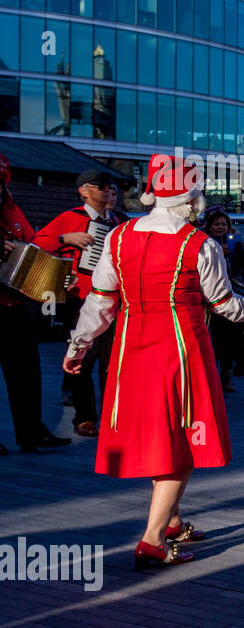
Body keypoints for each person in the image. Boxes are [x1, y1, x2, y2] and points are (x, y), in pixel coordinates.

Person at [62, 154, 244, 568]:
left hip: (131, 350)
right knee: (181, 444)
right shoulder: (199, 244)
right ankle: (152, 540)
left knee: (160, 436)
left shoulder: (118, 237)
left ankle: (171, 520)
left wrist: (77, 346)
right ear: (190, 198)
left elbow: (100, 300)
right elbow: (228, 306)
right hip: (181, 351)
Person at [35, 168, 123, 437]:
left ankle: (112, 416)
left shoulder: (119, 221)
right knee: (82, 359)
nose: (108, 190)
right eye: (100, 186)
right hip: (81, 299)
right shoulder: (70, 218)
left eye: (111, 186)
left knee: (112, 361)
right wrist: (65, 239)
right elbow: (36, 244)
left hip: (113, 301)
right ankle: (84, 417)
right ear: (84, 191)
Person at [0, 155, 71, 455]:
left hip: (11, 304)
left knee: (27, 370)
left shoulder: (10, 208)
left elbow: (33, 243)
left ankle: (31, 432)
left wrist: (57, 271)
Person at [202, 208, 244, 393]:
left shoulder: (235, 243)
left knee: (229, 340)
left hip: (230, 296)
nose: (220, 227)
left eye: (223, 224)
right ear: (210, 226)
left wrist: (234, 254)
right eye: (217, 224)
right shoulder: (204, 243)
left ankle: (227, 378)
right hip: (209, 298)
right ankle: (209, 378)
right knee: (211, 341)